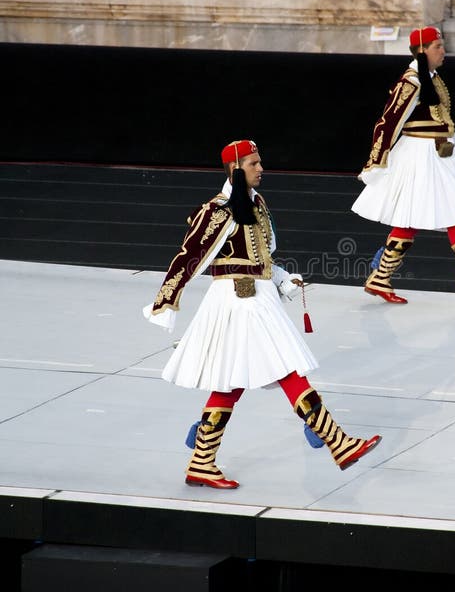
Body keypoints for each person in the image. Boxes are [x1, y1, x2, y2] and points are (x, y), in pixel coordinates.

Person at [144, 138, 381, 489]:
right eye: (254, 163)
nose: (261, 168)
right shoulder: (218, 210)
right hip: (238, 304)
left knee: (232, 383)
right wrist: (166, 302)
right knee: (286, 369)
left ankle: (201, 462)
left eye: (259, 162)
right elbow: (189, 256)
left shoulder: (257, 203)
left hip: (258, 299)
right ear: (235, 169)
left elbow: (263, 259)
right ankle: (338, 443)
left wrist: (283, 280)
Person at [352, 26, 455, 304]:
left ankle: (380, 277)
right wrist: (375, 162)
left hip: (435, 155)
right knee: (452, 213)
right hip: (421, 157)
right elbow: (388, 123)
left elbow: (439, 121)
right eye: (437, 46)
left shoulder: (431, 78)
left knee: (414, 219)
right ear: (421, 50)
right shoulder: (412, 82)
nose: (443, 51)